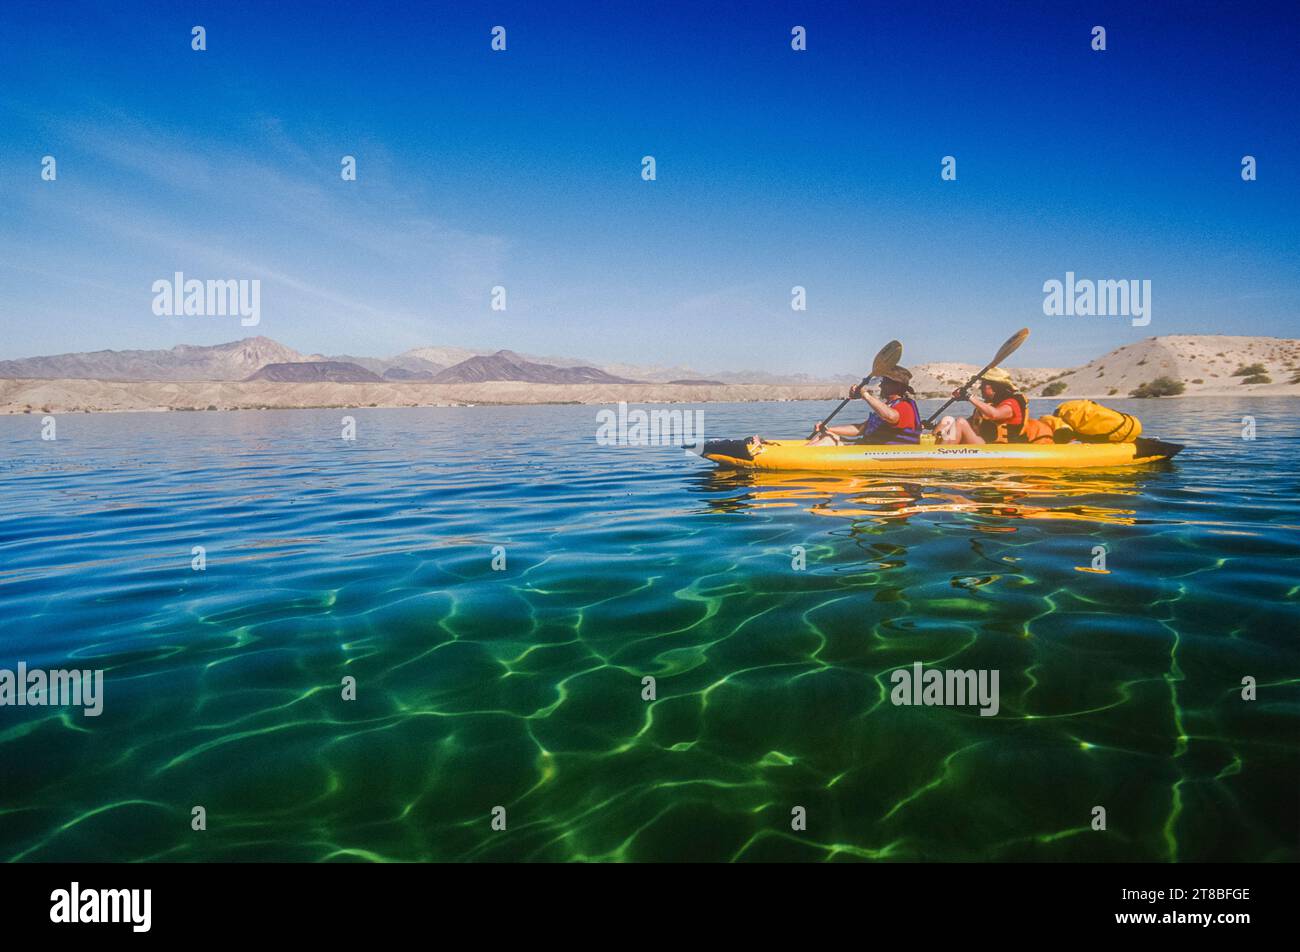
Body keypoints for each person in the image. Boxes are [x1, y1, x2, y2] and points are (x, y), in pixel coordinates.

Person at [807, 367, 920, 445]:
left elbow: (891, 417)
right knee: (827, 436)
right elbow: (860, 429)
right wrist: (828, 429)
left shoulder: (905, 406)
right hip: (869, 447)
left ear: (897, 386)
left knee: (827, 441)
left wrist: (865, 395)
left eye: (885, 382)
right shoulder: (888, 406)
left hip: (887, 453)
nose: (880, 385)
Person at [936, 367, 1027, 444]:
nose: (980, 387)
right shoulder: (991, 404)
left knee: (960, 422)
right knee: (947, 420)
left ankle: (940, 453)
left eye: (983, 385)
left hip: (999, 447)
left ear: (996, 387)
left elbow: (995, 414)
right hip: (982, 442)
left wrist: (969, 397)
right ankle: (932, 446)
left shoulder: (1013, 403)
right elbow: (971, 423)